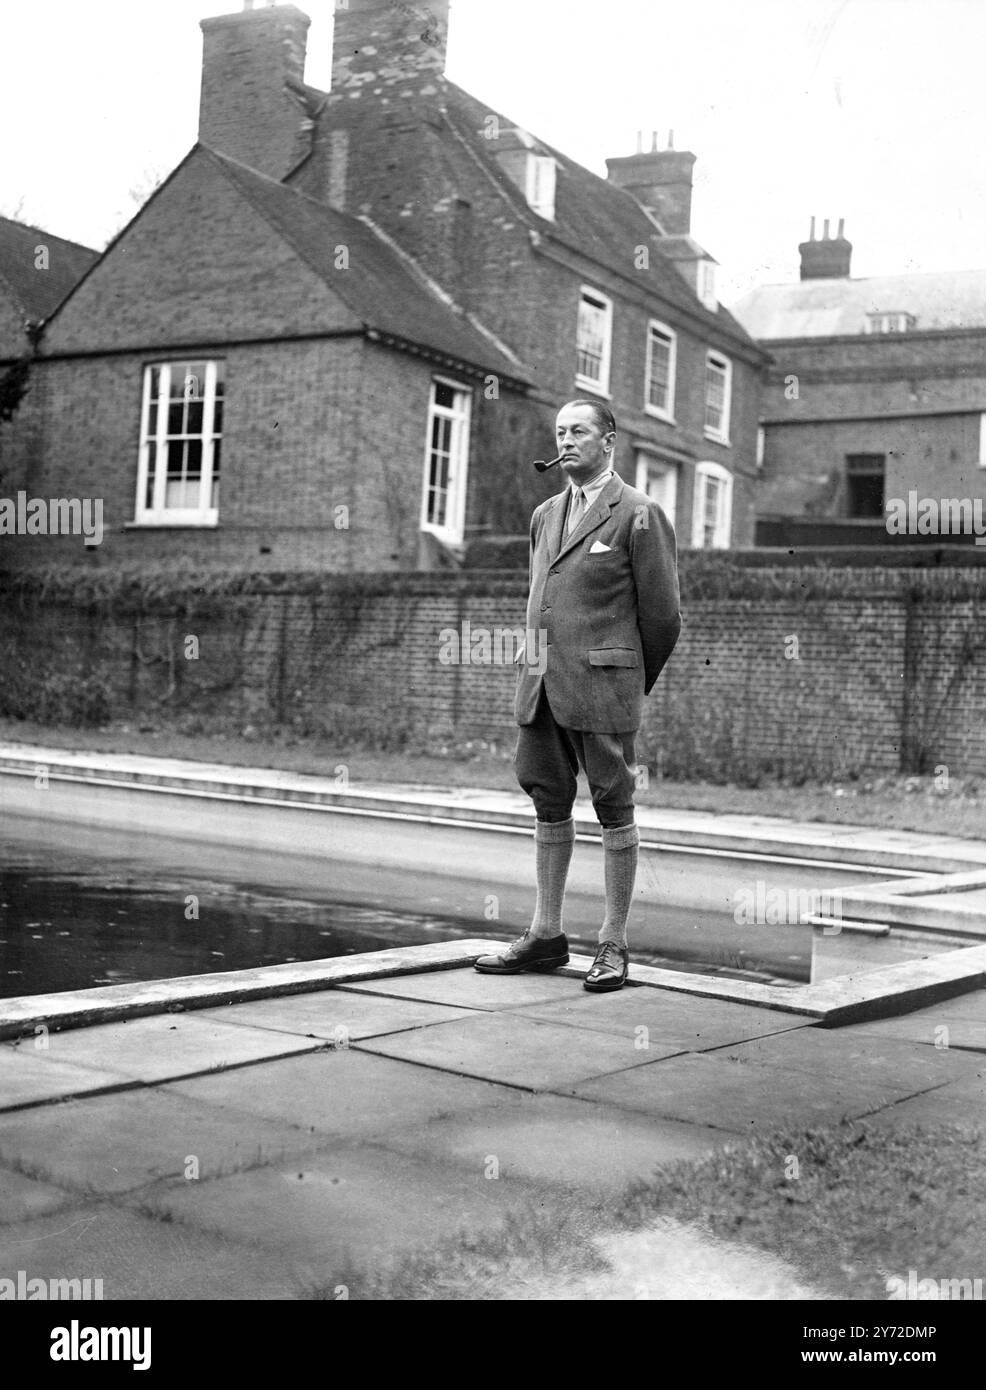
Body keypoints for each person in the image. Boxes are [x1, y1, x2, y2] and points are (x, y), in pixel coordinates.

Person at [475, 399, 681, 991]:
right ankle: (546, 936)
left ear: (609, 440)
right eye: (560, 433)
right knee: (547, 800)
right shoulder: (544, 514)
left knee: (614, 806)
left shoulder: (640, 514)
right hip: (541, 685)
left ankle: (613, 944)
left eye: (580, 432)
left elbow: (663, 618)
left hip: (604, 691)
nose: (567, 442)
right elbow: (543, 593)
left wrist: (625, 681)